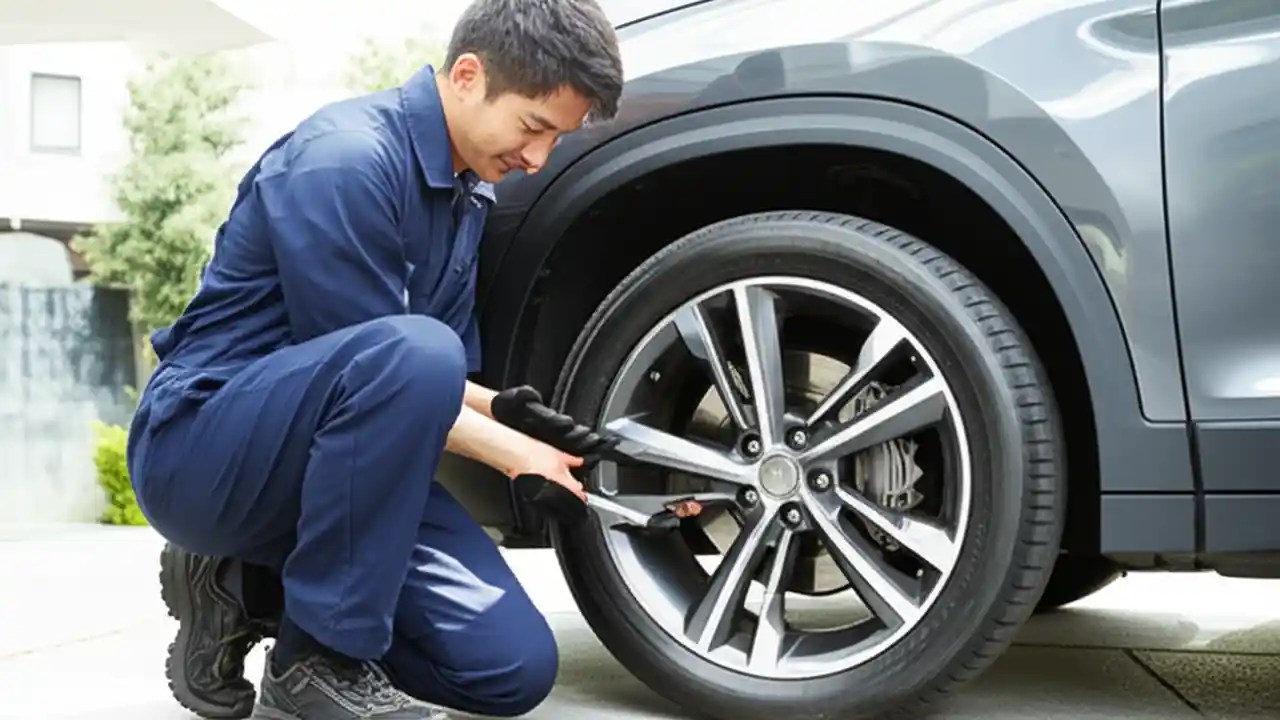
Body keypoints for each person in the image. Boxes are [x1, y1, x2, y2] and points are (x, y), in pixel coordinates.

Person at [125, 1, 624, 718]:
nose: (538, 160)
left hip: (341, 470)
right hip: (203, 450)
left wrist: (512, 415)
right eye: (534, 127)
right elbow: (394, 367)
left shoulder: (466, 194)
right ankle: (316, 663)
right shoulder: (346, 158)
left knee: (512, 670)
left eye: (557, 138)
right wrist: (516, 456)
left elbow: (423, 378)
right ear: (468, 75)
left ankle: (251, 587)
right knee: (416, 354)